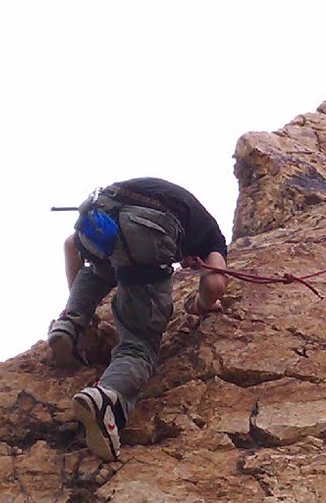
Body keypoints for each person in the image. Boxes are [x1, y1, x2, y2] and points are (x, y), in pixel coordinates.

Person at [48, 177, 228, 462]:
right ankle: (106, 398)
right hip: (149, 227)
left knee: (101, 264)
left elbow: (72, 245)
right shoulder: (211, 235)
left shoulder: (153, 189)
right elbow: (216, 285)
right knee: (139, 344)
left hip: (102, 209)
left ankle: (70, 323)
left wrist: (84, 314)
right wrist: (201, 303)